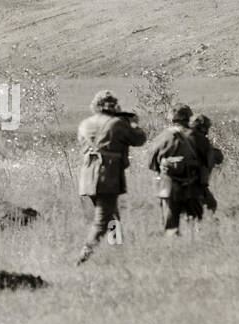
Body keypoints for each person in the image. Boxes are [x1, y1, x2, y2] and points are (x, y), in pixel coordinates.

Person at [76, 90, 146, 264]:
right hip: (106, 176)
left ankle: (118, 252)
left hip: (87, 177)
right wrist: (134, 124)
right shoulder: (117, 123)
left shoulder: (85, 124)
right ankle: (84, 255)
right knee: (102, 220)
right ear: (114, 106)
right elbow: (139, 139)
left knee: (111, 215)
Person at [146, 105, 202, 235]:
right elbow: (210, 159)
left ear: (171, 118)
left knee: (170, 226)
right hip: (193, 184)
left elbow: (151, 163)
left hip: (168, 185)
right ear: (189, 117)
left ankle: (172, 246)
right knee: (196, 222)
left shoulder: (162, 137)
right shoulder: (196, 136)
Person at [188, 114, 224, 216]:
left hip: (173, 184)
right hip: (195, 186)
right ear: (204, 128)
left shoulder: (180, 138)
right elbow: (218, 158)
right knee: (211, 205)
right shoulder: (202, 141)